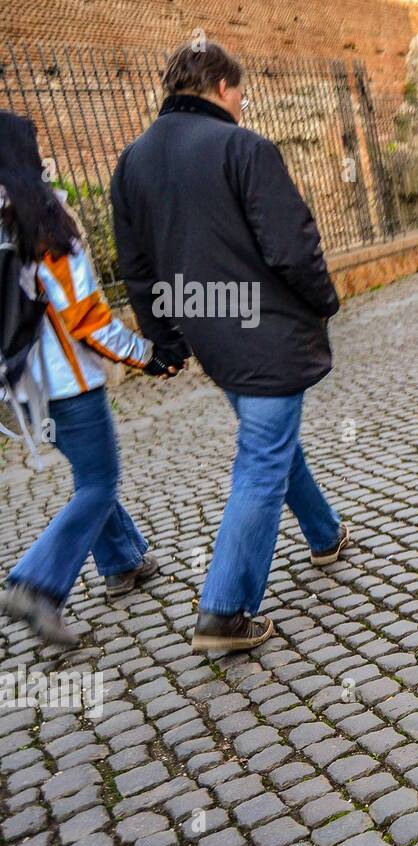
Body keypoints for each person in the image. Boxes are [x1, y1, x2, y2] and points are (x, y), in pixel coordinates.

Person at [111, 41, 350, 654]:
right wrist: (325, 300)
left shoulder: (131, 162)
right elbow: (292, 245)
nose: (242, 101)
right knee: (262, 462)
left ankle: (324, 534)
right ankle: (223, 610)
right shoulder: (243, 148)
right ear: (219, 86)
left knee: (271, 442)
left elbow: (136, 269)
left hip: (209, 336)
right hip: (264, 333)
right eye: (239, 91)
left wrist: (164, 342)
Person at [0, 111, 185, 647]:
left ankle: (123, 560)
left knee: (91, 475)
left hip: (23, 383)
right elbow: (86, 318)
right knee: (100, 482)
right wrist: (146, 355)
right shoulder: (40, 217)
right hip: (69, 381)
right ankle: (35, 584)